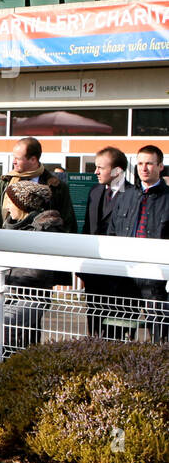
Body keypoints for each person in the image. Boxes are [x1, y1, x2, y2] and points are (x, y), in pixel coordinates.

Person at [106, 145, 169, 341]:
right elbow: (113, 232)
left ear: (160, 166)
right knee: (115, 335)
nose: (144, 168)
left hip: (156, 280)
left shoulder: (168, 199)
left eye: (149, 163)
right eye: (140, 163)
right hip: (125, 277)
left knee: (160, 336)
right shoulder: (126, 197)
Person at [0, 181, 67, 350]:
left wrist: (9, 285)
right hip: (6, 291)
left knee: (6, 331)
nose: (6, 207)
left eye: (9, 201)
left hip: (29, 296)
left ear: (22, 204)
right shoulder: (10, 226)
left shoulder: (45, 229)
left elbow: (37, 272)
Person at [79, 147, 130, 336]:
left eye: (101, 167)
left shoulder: (133, 194)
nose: (96, 172)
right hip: (94, 274)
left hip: (119, 278)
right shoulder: (94, 191)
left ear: (117, 171)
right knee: (94, 329)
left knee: (114, 333)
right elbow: (87, 229)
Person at [0, 136, 77, 232]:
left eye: (18, 158)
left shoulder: (57, 187)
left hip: (42, 242)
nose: (13, 161)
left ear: (33, 159)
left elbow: (68, 223)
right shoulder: (6, 182)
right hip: (7, 238)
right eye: (13, 157)